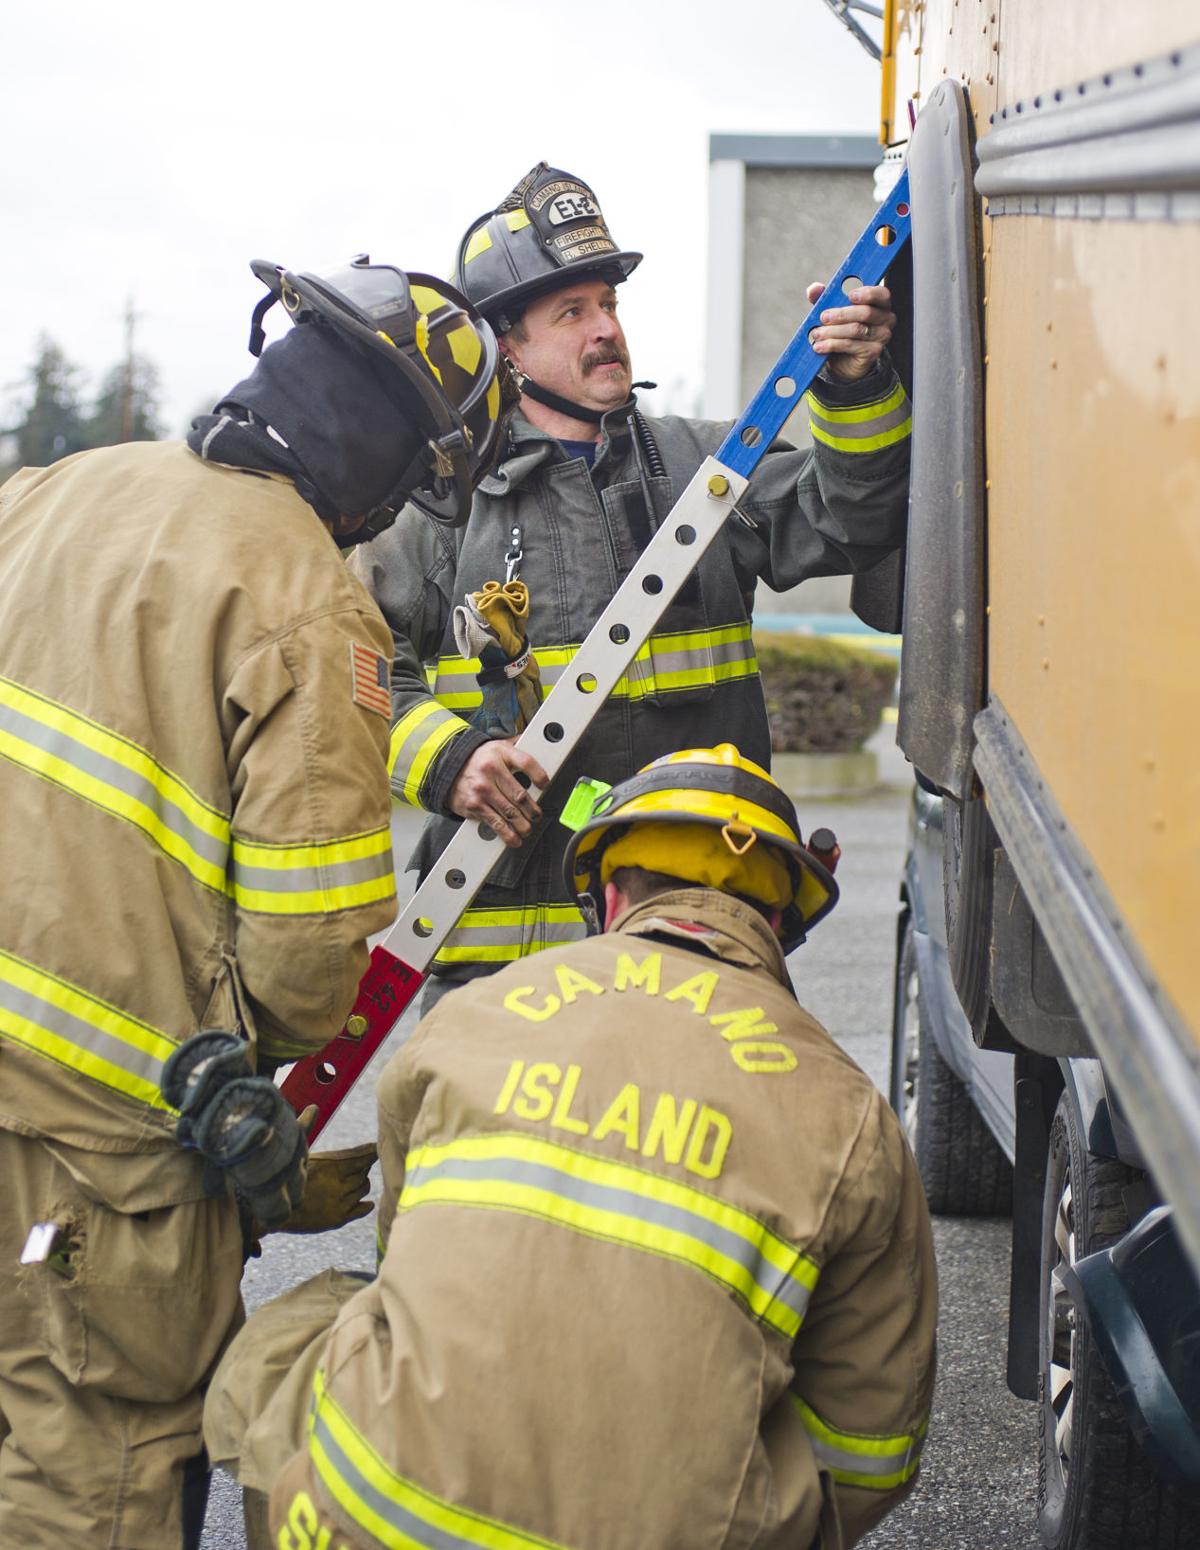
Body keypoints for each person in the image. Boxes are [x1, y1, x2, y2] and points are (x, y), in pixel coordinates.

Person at [0, 255, 508, 1549]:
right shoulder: (305, 598)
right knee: (99, 1463)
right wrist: (252, 1107)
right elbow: (308, 954)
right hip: (107, 1161)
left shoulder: (54, 489)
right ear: (395, 459)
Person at [203, 743, 937, 1550]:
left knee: (320, 1313)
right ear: (774, 922)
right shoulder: (850, 1113)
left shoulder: (473, 1015)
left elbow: (404, 1262)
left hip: (377, 1523)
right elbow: (869, 1451)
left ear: (612, 894)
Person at [350, 161, 912, 1003]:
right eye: (570, 312)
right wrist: (448, 760)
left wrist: (855, 384)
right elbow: (349, 663)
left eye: (608, 304)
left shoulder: (708, 468)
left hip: (694, 939)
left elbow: (854, 516)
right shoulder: (439, 504)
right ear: (505, 346)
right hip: (502, 967)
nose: (604, 329)